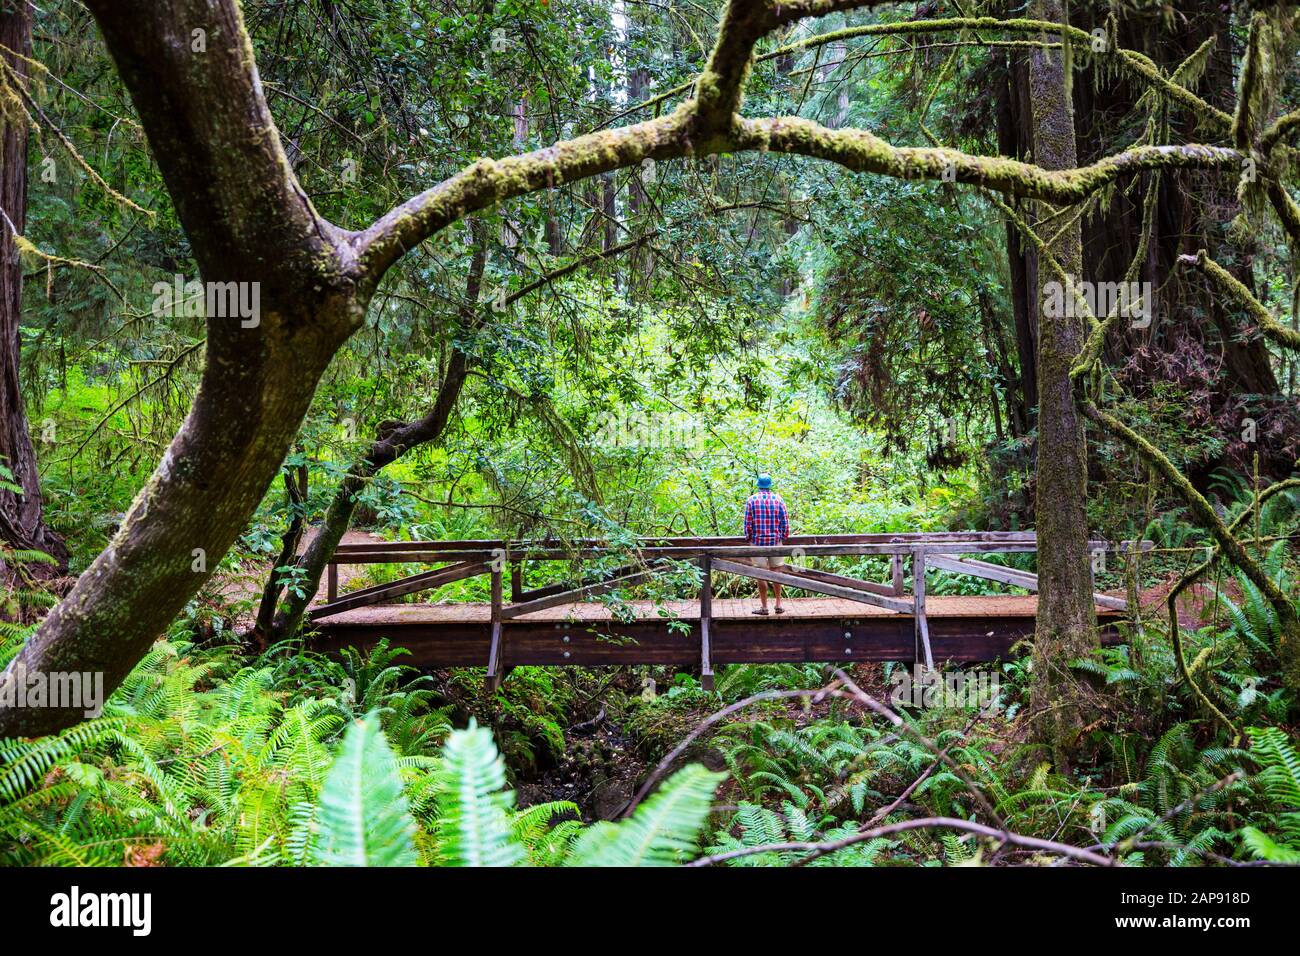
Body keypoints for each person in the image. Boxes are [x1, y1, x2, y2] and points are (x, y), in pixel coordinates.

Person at [742, 473, 789, 615]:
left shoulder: (751, 500)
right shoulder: (779, 500)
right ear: (770, 486)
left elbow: (747, 523)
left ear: (758, 485)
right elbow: (785, 523)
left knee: (760, 574)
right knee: (777, 572)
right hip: (775, 542)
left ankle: (764, 607)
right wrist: (783, 537)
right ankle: (778, 604)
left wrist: (749, 538)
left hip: (758, 542)